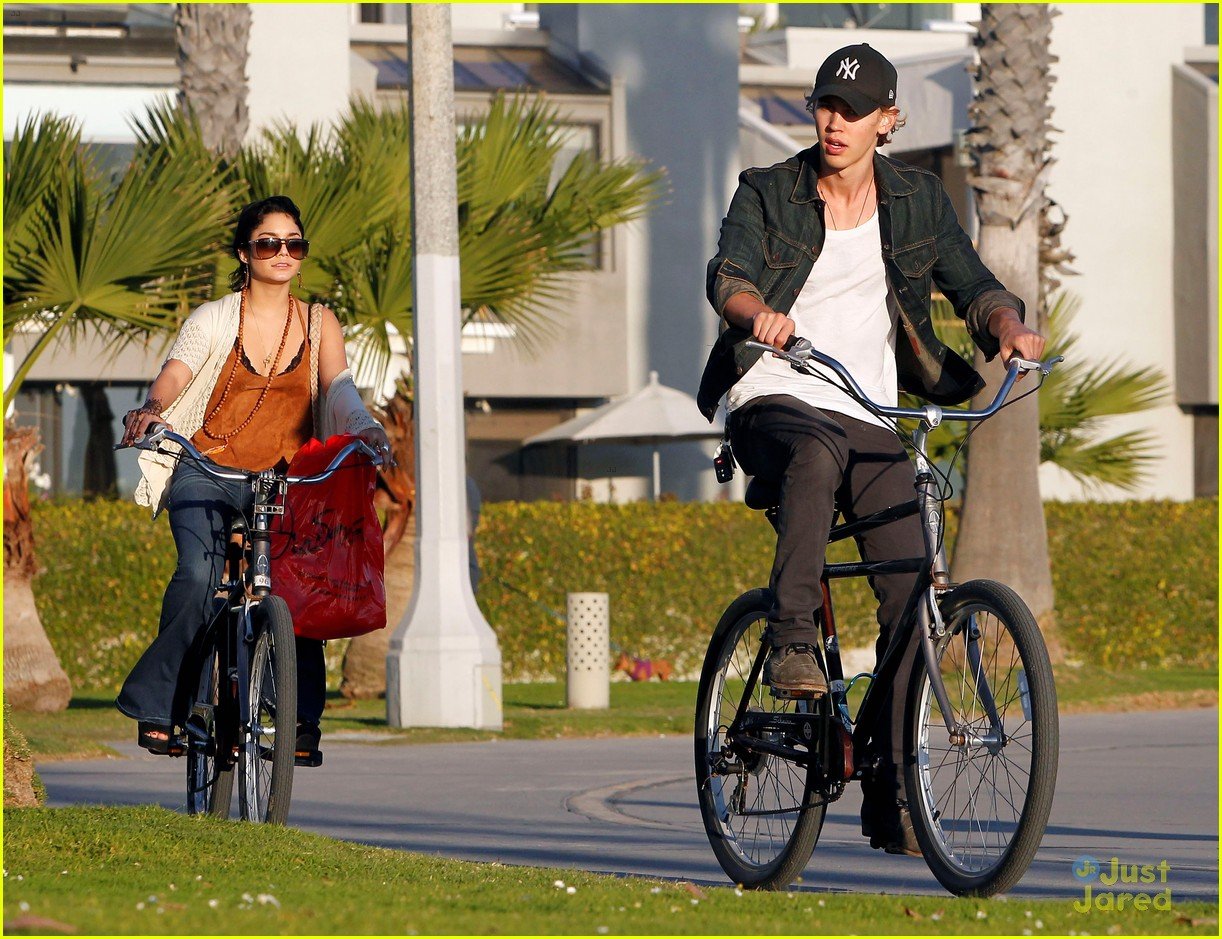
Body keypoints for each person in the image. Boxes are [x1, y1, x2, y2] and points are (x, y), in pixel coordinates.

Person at [697, 44, 1045, 856]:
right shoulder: (769, 190)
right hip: (773, 395)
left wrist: (1010, 330)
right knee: (815, 451)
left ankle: (890, 788)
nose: (834, 122)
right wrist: (758, 316)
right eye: (824, 105)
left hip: (868, 412)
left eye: (852, 110)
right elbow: (728, 274)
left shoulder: (917, 199)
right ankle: (790, 640)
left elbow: (974, 283)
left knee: (912, 596)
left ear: (888, 120)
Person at [116, 195, 391, 763]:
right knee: (197, 577)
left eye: (294, 244)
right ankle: (166, 705)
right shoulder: (215, 317)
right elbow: (178, 370)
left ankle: (298, 722)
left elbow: (338, 389)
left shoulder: (319, 323)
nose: (283, 253)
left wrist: (364, 426)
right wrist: (152, 409)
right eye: (269, 243)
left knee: (300, 589)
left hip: (288, 482)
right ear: (245, 253)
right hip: (207, 470)